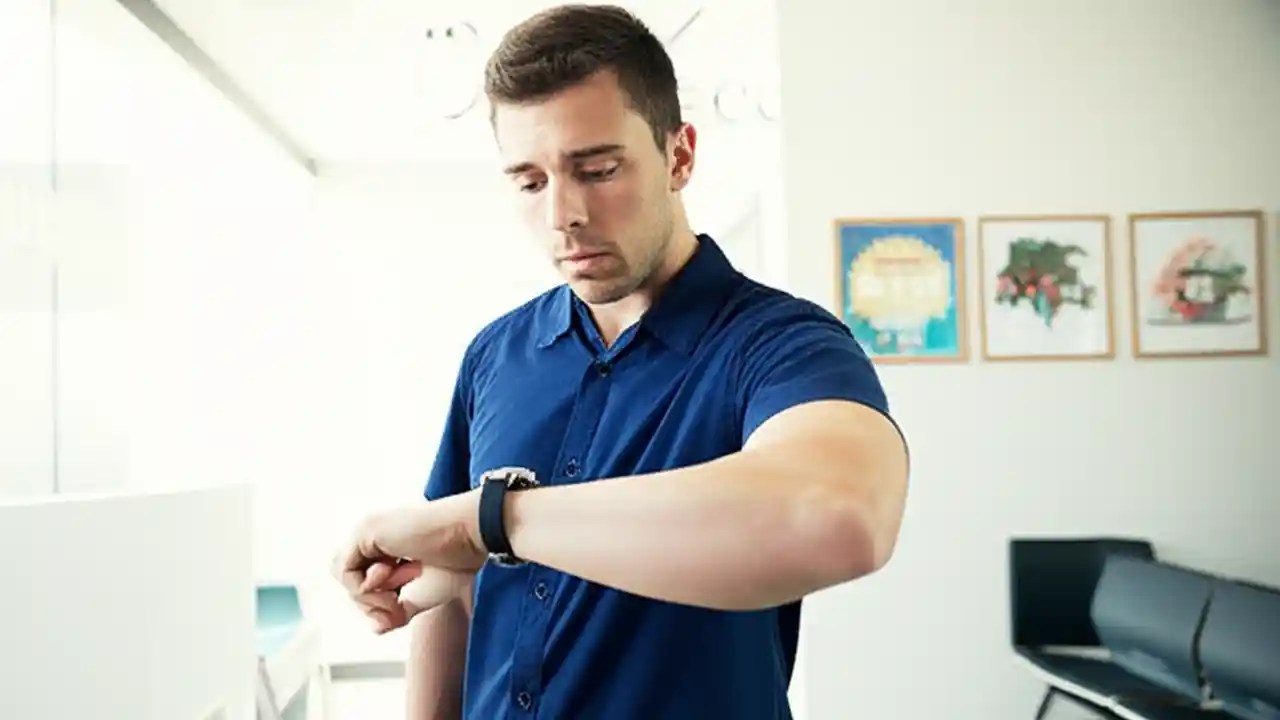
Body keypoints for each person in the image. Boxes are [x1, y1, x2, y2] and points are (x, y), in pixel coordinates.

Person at [332, 4, 910, 719]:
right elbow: (452, 588)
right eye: (529, 181)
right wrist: (456, 549)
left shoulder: (782, 345)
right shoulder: (494, 355)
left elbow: (839, 517)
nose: (563, 214)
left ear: (680, 156)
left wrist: (490, 519)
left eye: (597, 169)